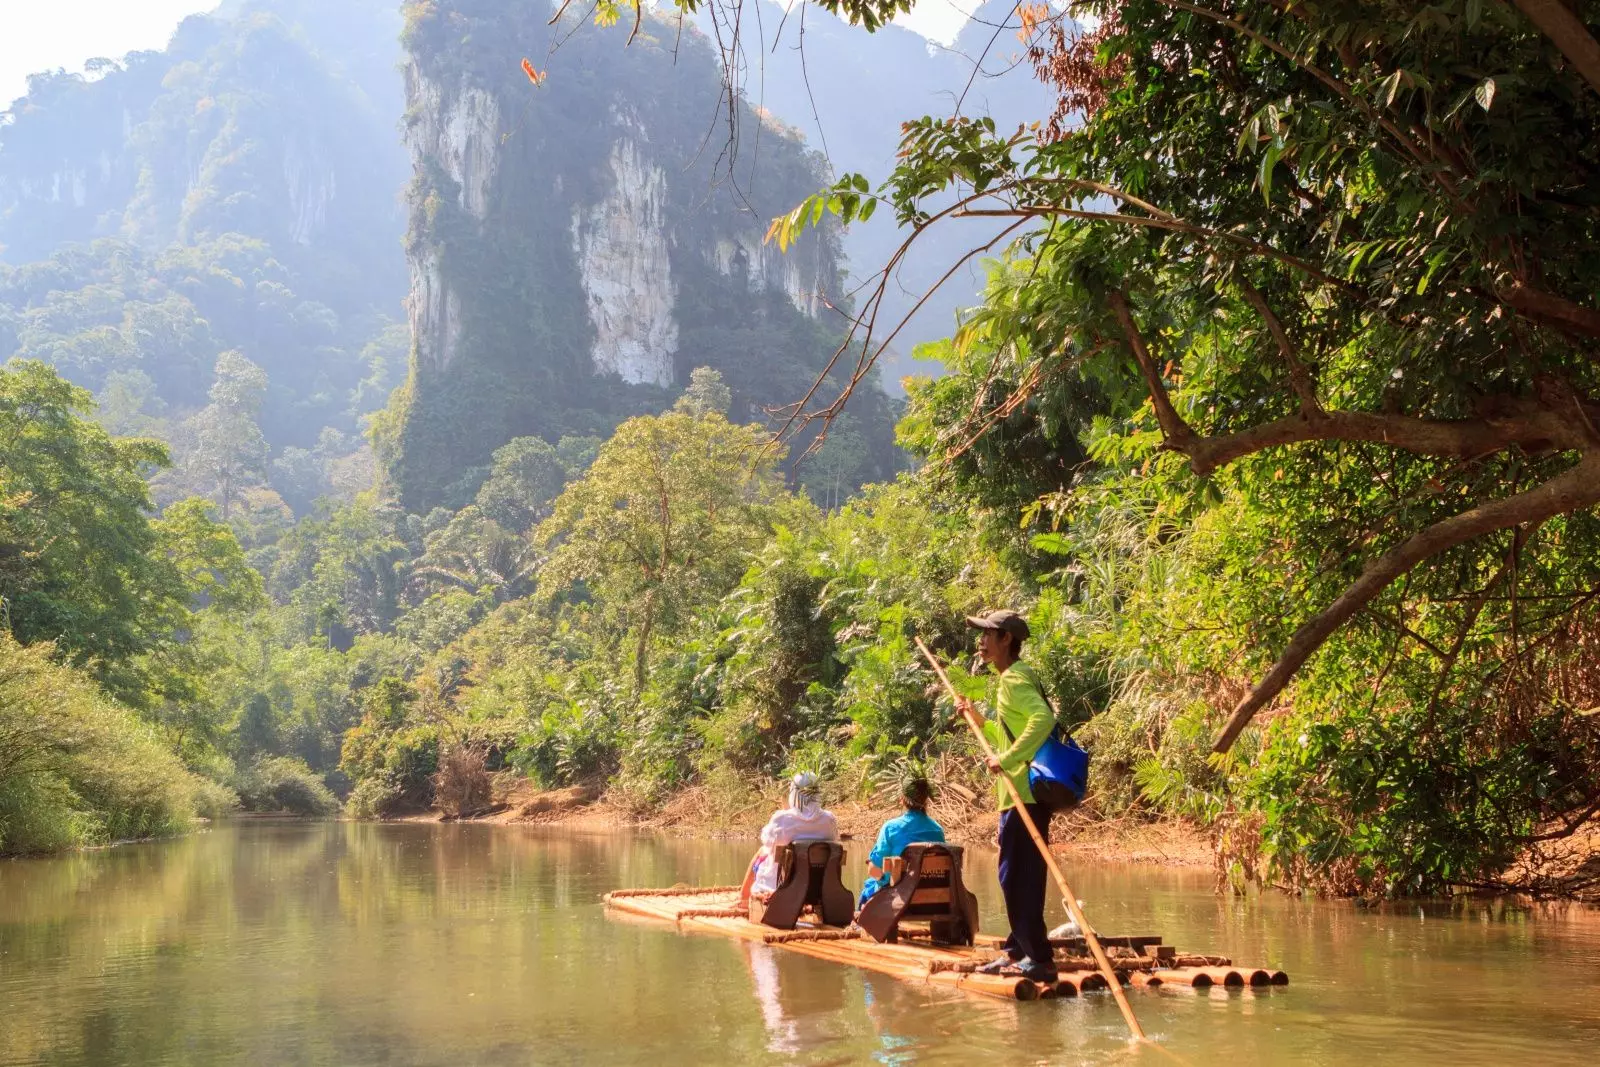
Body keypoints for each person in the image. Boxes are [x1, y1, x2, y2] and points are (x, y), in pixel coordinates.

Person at [955, 608, 1060, 983]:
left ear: (1007, 640)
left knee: (1017, 877)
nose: (981, 642)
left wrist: (1009, 758)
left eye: (989, 634)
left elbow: (1042, 721)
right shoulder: (1011, 679)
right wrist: (980, 722)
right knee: (1017, 875)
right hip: (1018, 794)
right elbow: (1011, 735)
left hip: (1024, 795)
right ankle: (1019, 949)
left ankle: (1038, 956)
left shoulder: (1014, 678)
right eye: (980, 634)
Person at [739, 771, 839, 904]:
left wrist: (784, 812)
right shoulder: (829, 819)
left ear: (794, 793)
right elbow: (834, 839)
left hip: (779, 886)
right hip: (818, 888)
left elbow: (766, 841)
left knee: (762, 851)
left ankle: (743, 898)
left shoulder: (782, 818)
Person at [857, 776, 946, 909]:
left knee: (870, 884)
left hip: (898, 898)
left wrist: (871, 865)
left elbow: (875, 871)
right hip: (933, 900)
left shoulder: (891, 828)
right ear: (926, 799)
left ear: (902, 799)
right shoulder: (938, 830)